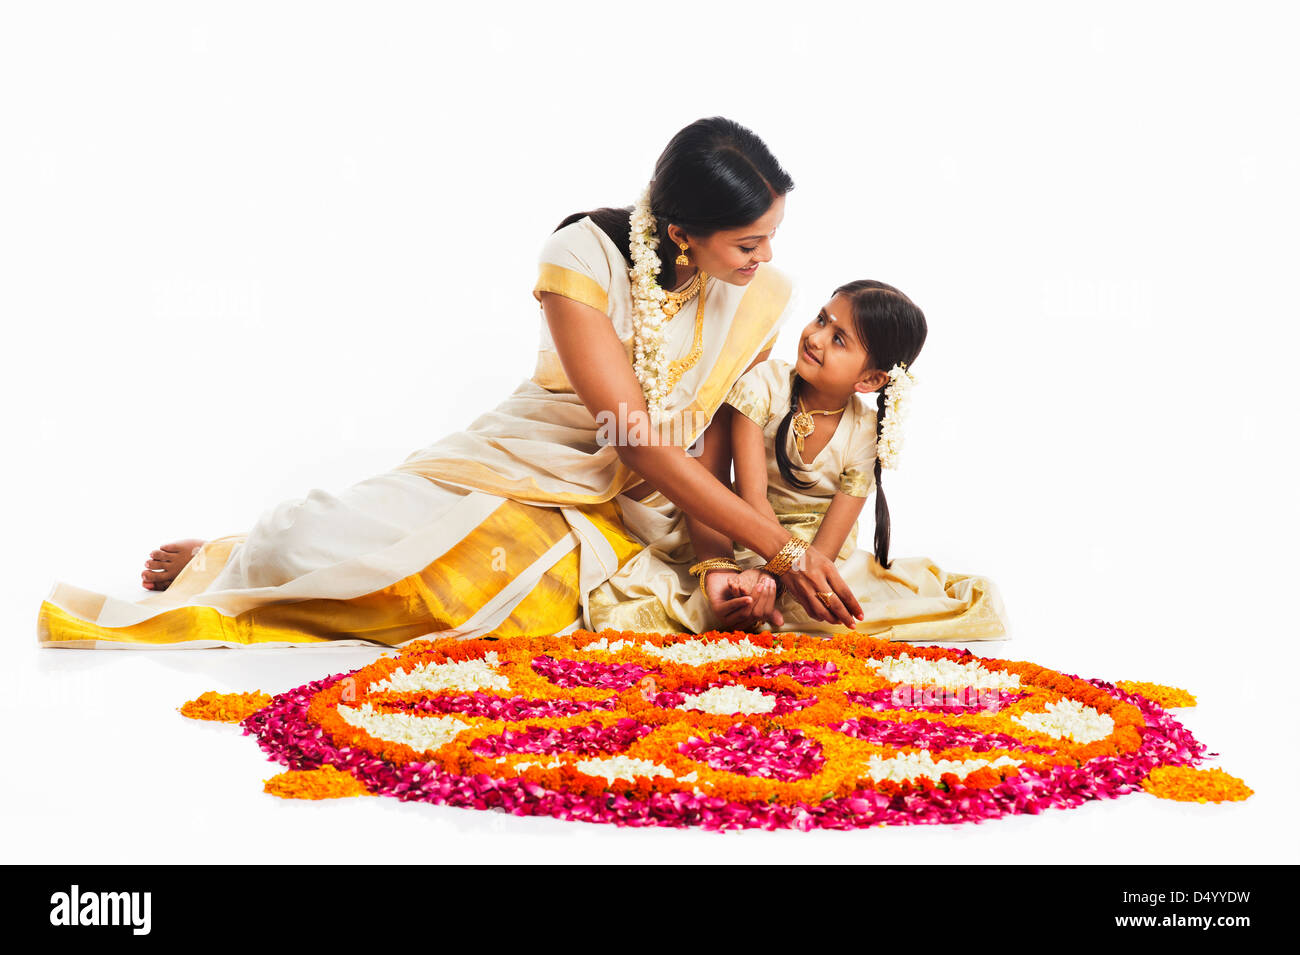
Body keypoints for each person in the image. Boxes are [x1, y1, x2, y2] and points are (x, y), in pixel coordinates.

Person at [37, 116, 865, 648]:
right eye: (749, 245)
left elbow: (715, 434)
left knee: (489, 613)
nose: (767, 263)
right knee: (317, 547)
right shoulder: (579, 256)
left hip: (642, 503)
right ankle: (240, 556)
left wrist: (715, 560)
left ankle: (265, 564)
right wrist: (783, 548)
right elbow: (638, 439)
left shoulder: (757, 294)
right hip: (535, 459)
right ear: (683, 234)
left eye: (772, 239)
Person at [587, 280, 1010, 641]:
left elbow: (832, 536)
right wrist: (764, 568)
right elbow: (752, 496)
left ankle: (770, 597)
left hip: (820, 555)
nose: (816, 336)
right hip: (746, 529)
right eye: (822, 319)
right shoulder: (763, 385)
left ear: (870, 380)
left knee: (836, 607)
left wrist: (776, 580)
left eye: (839, 338)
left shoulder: (865, 432)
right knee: (696, 604)